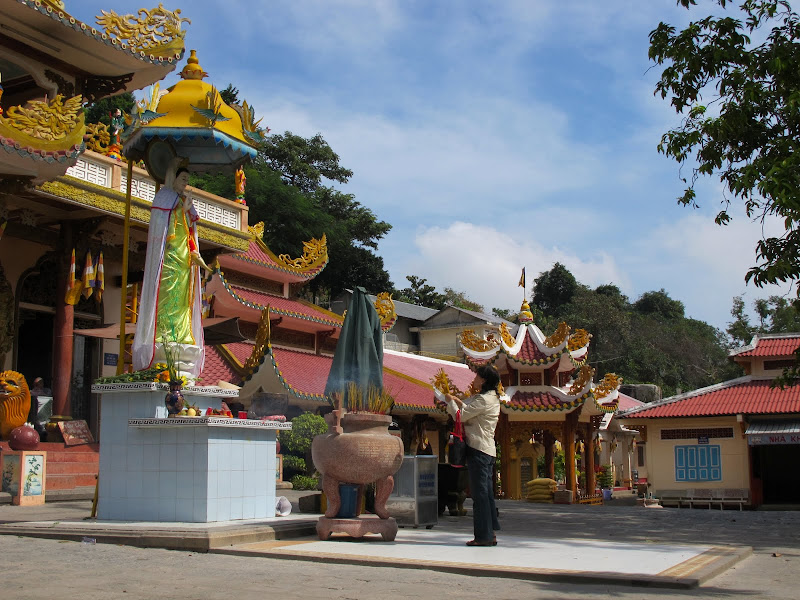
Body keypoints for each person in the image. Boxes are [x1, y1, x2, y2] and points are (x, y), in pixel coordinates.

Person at [132, 160, 209, 380]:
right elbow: (163, 228)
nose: (186, 183)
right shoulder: (164, 198)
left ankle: (183, 335)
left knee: (184, 301)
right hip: (169, 258)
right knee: (167, 295)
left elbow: (190, 233)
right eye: (183, 178)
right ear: (172, 177)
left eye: (187, 180)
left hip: (184, 260)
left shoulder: (185, 202)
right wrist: (179, 212)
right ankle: (164, 335)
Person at [444, 364, 501, 547]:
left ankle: (483, 536)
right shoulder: (491, 398)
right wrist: (461, 402)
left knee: (479, 495)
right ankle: (489, 532)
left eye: (477, 377)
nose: (474, 379)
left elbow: (461, 416)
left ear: (483, 380)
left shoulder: (484, 400)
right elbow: (472, 411)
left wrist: (449, 402)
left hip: (478, 450)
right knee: (487, 494)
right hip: (487, 449)